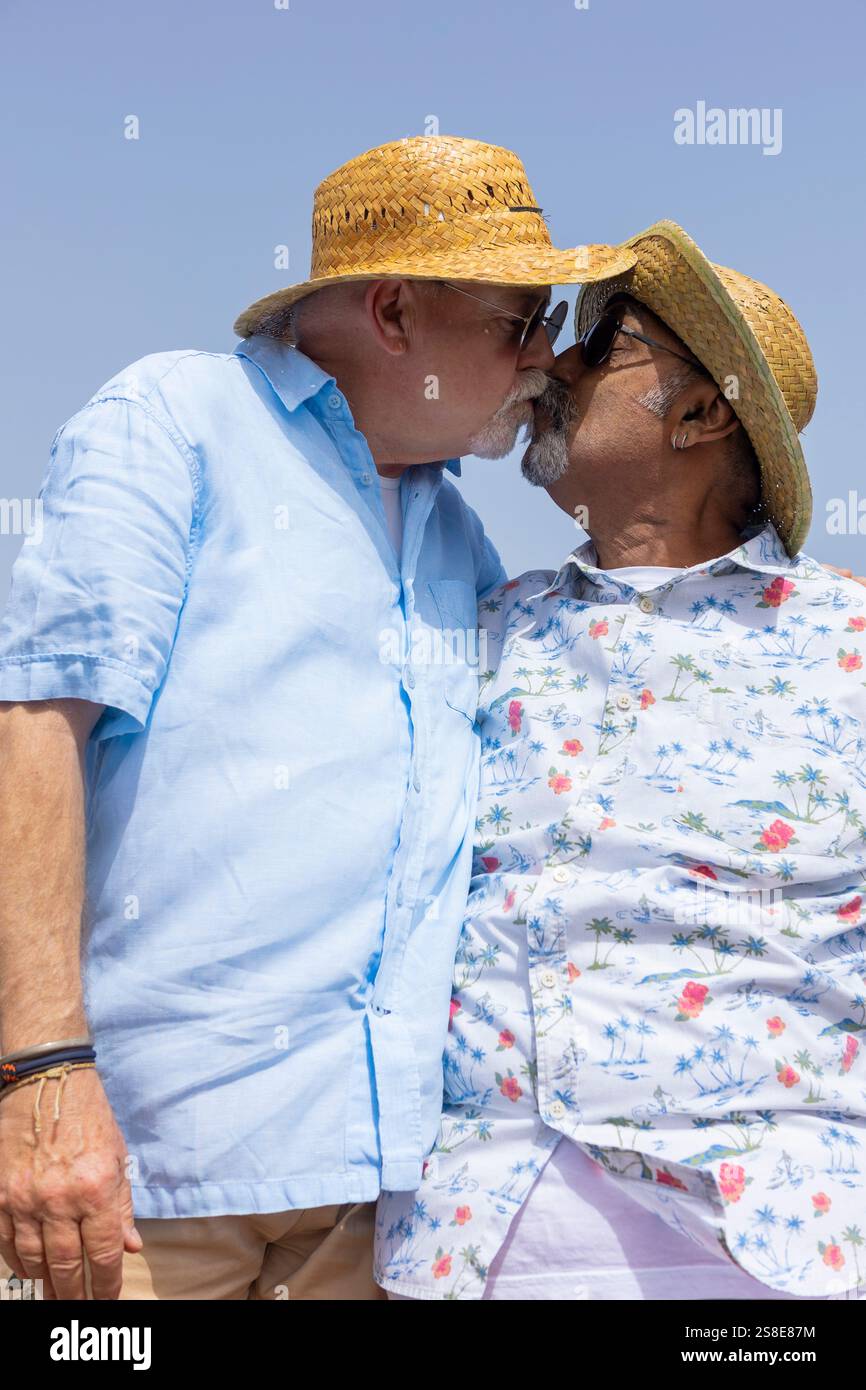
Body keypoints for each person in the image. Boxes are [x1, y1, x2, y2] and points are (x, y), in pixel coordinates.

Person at [0, 135, 629, 1301]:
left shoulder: (459, 541)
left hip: (374, 1208)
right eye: (518, 318)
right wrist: (40, 1075)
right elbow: (32, 730)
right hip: (138, 1199)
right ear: (392, 313)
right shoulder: (173, 423)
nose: (543, 357)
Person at [375, 221, 866, 1301]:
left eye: (600, 346)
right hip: (463, 1247)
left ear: (699, 412)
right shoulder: (474, 632)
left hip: (775, 1251)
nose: (547, 362)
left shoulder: (847, 643)